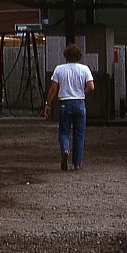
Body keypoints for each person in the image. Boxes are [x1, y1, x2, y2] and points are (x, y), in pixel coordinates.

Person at [42, 43, 95, 171]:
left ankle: (65, 149)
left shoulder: (59, 69)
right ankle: (76, 163)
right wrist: (83, 93)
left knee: (64, 132)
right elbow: (91, 86)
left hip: (65, 104)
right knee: (79, 134)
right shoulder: (85, 69)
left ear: (66, 56)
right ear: (79, 56)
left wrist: (48, 104)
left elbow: (53, 89)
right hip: (79, 103)